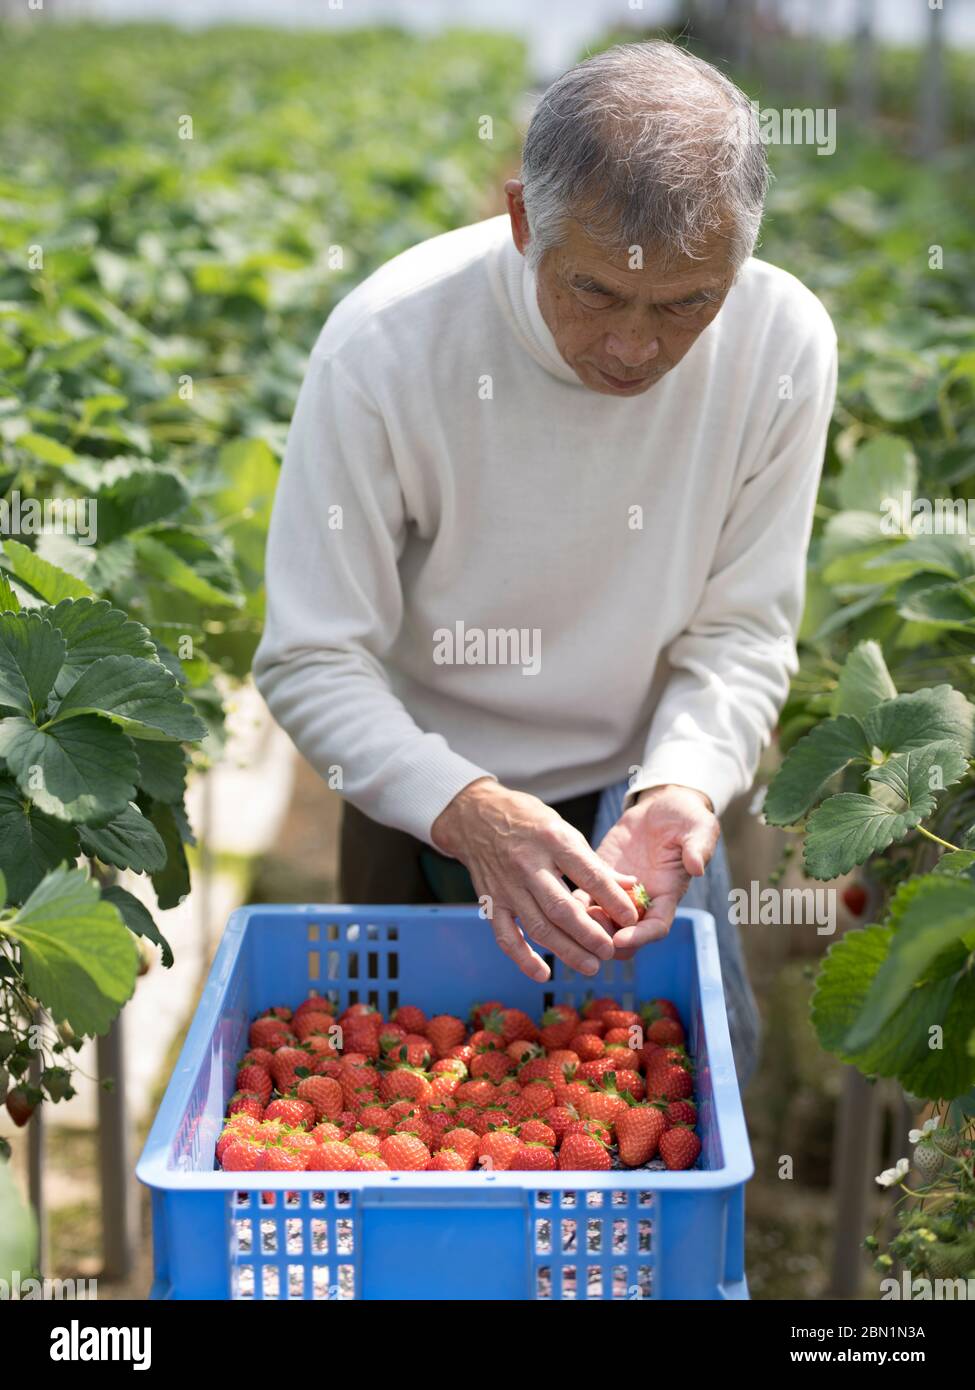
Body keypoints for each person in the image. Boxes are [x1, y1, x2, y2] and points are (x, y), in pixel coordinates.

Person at [253, 41, 838, 1086]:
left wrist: (688, 785)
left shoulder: (782, 343)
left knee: (644, 1120)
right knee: (405, 1102)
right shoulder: (387, 348)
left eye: (685, 305)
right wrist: (465, 806)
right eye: (597, 290)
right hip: (419, 788)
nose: (633, 346)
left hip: (639, 795)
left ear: (740, 266)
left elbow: (743, 628)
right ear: (524, 221)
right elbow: (312, 656)